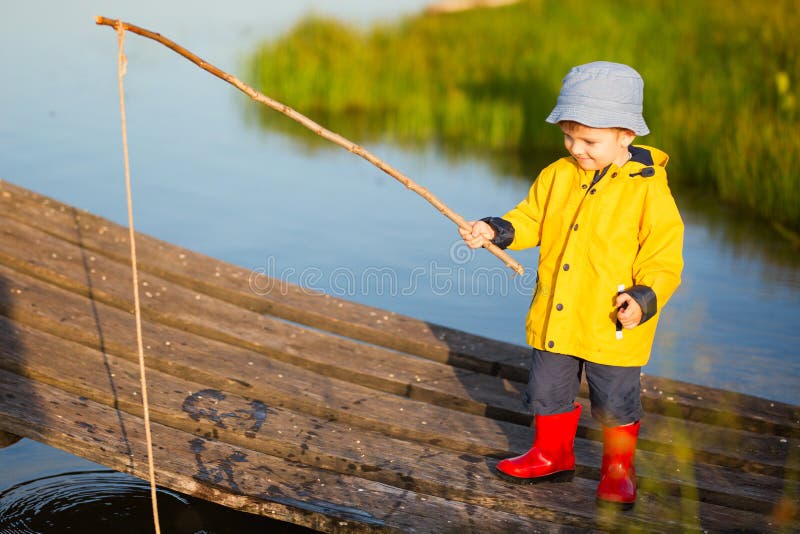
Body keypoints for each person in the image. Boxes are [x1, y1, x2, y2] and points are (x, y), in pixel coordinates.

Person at [459, 61, 684, 508]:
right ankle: (551, 453)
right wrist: (496, 229)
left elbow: (663, 258)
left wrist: (643, 298)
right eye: (569, 136)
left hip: (613, 324)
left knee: (616, 402)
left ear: (626, 135)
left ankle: (618, 470)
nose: (576, 148)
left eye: (589, 140)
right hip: (557, 315)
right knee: (547, 390)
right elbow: (531, 220)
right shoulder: (558, 175)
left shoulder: (648, 190)